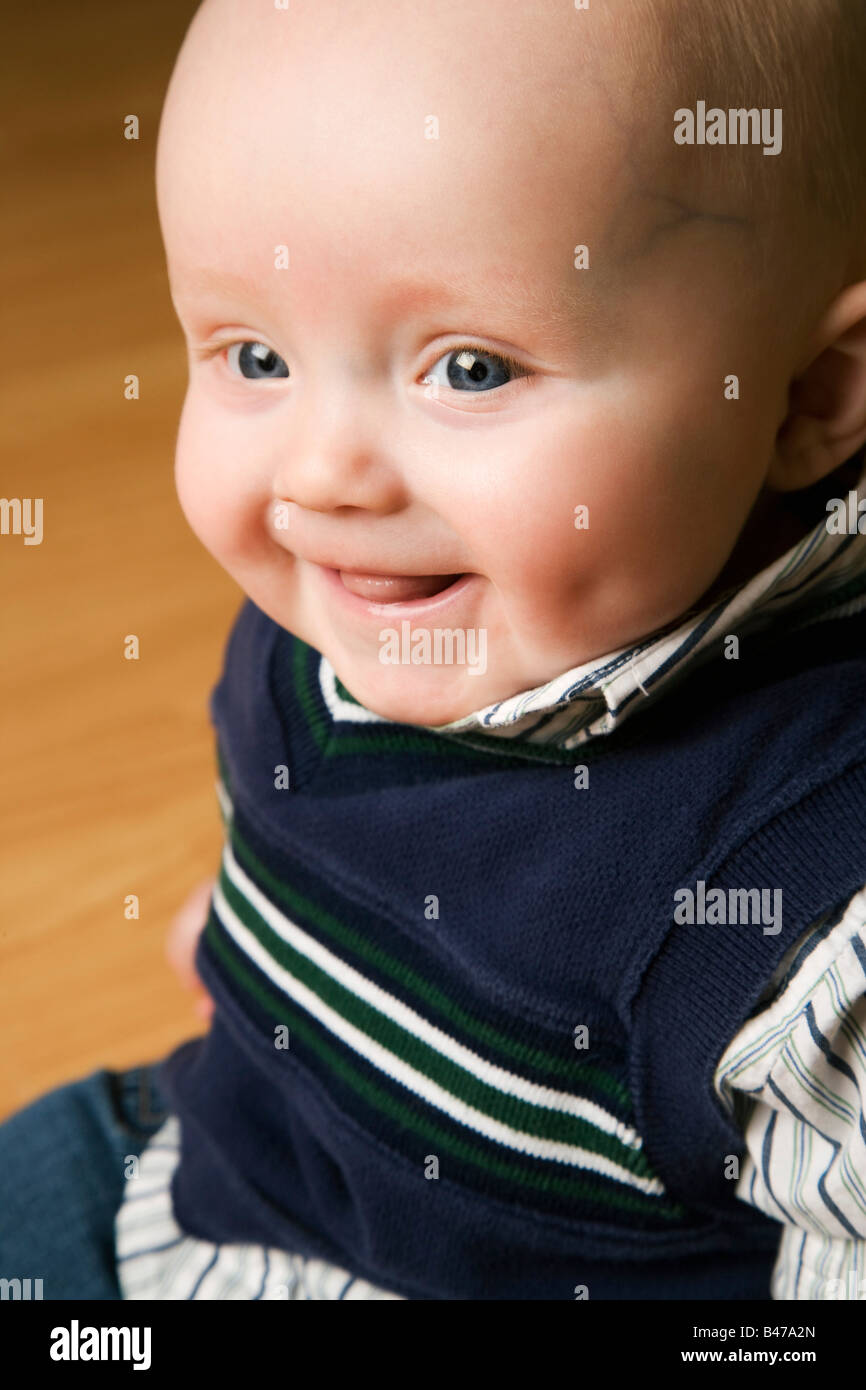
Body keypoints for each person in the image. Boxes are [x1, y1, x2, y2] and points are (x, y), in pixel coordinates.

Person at [3, 0, 866, 1300]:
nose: (322, 470)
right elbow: (339, 806)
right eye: (252, 355)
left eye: (468, 368)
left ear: (808, 398)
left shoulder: (799, 923)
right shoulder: (390, 592)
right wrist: (271, 930)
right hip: (209, 1156)